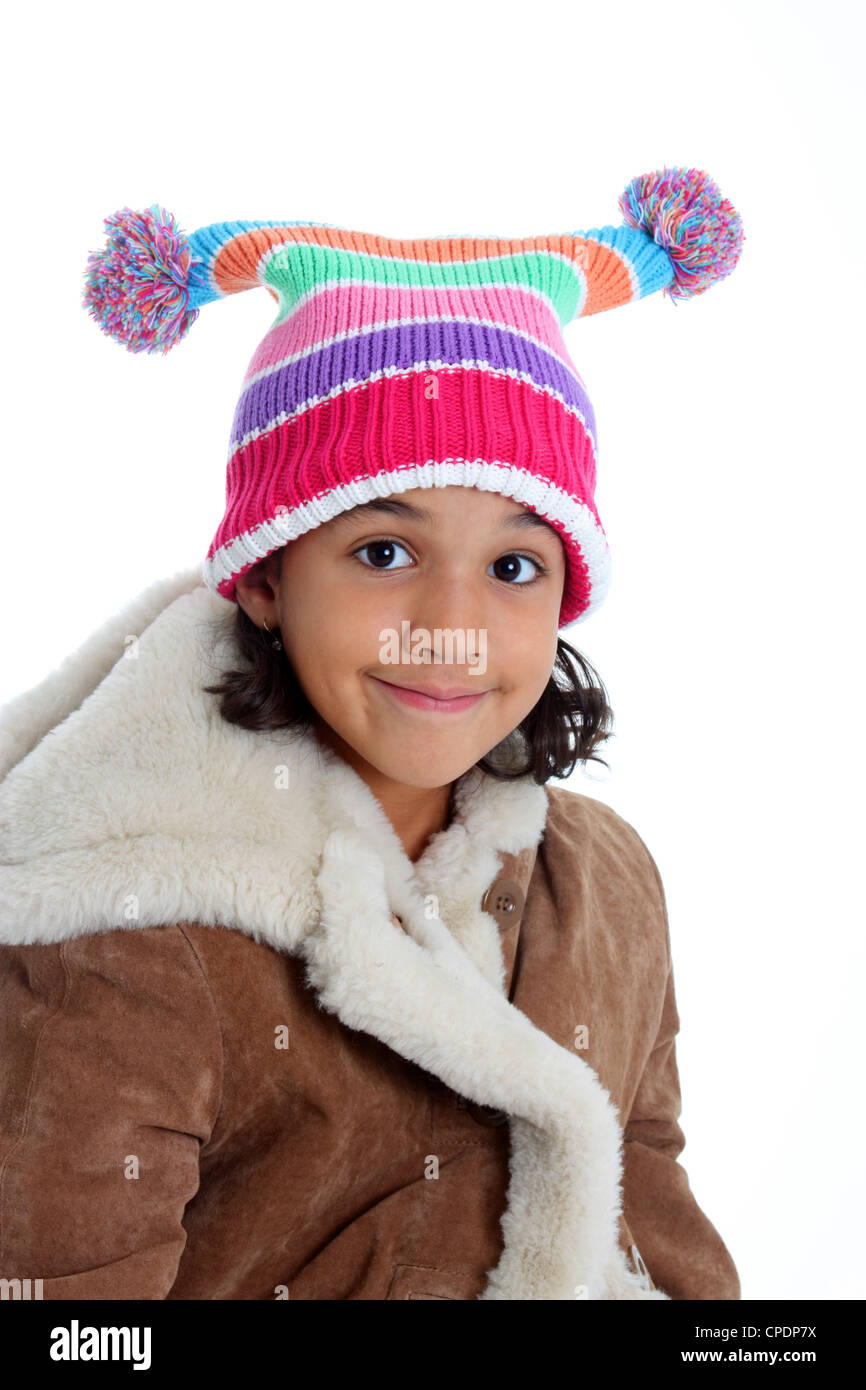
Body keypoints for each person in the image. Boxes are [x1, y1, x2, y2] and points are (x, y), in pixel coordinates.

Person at [0, 167, 744, 1300]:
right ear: (263, 580)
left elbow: (650, 1210)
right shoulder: (131, 924)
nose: (452, 627)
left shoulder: (604, 885)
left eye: (512, 565)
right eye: (382, 552)